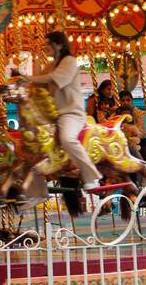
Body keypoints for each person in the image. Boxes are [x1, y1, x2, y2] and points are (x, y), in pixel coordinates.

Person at [22, 30, 103, 198]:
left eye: (47, 44)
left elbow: (52, 79)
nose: (45, 48)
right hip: (54, 115)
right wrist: (35, 56)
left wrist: (26, 77)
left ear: (58, 44)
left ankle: (91, 175)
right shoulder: (52, 65)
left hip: (71, 114)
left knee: (67, 138)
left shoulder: (69, 62)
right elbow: (39, 79)